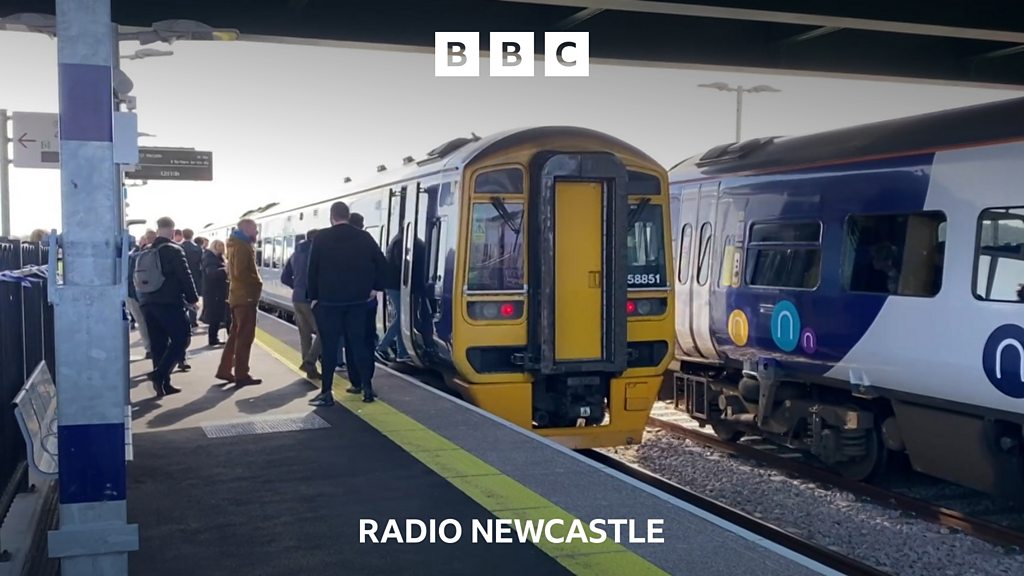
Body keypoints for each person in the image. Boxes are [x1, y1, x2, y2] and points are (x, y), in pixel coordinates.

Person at [307, 201, 387, 406]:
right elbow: (382, 264)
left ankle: (326, 392)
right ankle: (367, 389)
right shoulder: (364, 237)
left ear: (332, 217)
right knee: (359, 345)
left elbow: (312, 269)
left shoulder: (321, 238)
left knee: (330, 347)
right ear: (348, 215)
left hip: (329, 303)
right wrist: (374, 288)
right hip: (357, 303)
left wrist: (313, 298)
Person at [135, 217, 199, 397]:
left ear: (157, 230)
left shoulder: (146, 250)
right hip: (169, 303)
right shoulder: (174, 250)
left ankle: (163, 385)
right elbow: (185, 275)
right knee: (182, 338)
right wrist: (193, 299)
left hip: (147, 303)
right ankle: (159, 374)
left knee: (158, 345)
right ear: (172, 231)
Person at [216, 219, 263, 386]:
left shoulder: (234, 244)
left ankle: (225, 370)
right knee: (245, 337)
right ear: (246, 229)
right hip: (246, 297)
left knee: (235, 334)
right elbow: (241, 272)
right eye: (254, 229)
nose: (256, 233)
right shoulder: (242, 246)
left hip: (237, 296)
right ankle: (242, 374)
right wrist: (257, 283)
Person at [282, 229, 323, 380]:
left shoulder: (295, 254)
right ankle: (310, 361)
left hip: (297, 298)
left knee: (305, 335)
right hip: (310, 299)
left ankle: (309, 370)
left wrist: (297, 287)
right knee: (323, 333)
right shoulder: (316, 254)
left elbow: (284, 277)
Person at [376, 231, 411, 363]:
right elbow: (400, 263)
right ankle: (382, 347)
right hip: (395, 284)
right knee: (401, 318)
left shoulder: (396, 240)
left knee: (400, 316)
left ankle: (402, 352)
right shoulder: (400, 241)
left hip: (394, 284)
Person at [126, 229, 157, 359]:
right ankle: (151, 348)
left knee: (143, 322)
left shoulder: (132, 256)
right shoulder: (153, 254)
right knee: (146, 322)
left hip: (135, 293)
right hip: (144, 293)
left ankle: (150, 348)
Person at [201, 239, 231, 346]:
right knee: (216, 317)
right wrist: (225, 270)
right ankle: (213, 339)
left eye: (222, 246)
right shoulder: (209, 258)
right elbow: (211, 273)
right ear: (214, 246)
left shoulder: (218, 257)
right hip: (214, 292)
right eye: (219, 246)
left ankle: (217, 338)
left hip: (219, 291)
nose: (222, 248)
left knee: (221, 316)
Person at [180, 229, 204, 328]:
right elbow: (201, 264)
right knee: (193, 299)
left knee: (182, 299)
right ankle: (193, 321)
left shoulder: (179, 247)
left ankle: (183, 319)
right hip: (196, 277)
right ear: (192, 235)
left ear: (182, 235)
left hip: (181, 277)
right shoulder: (198, 249)